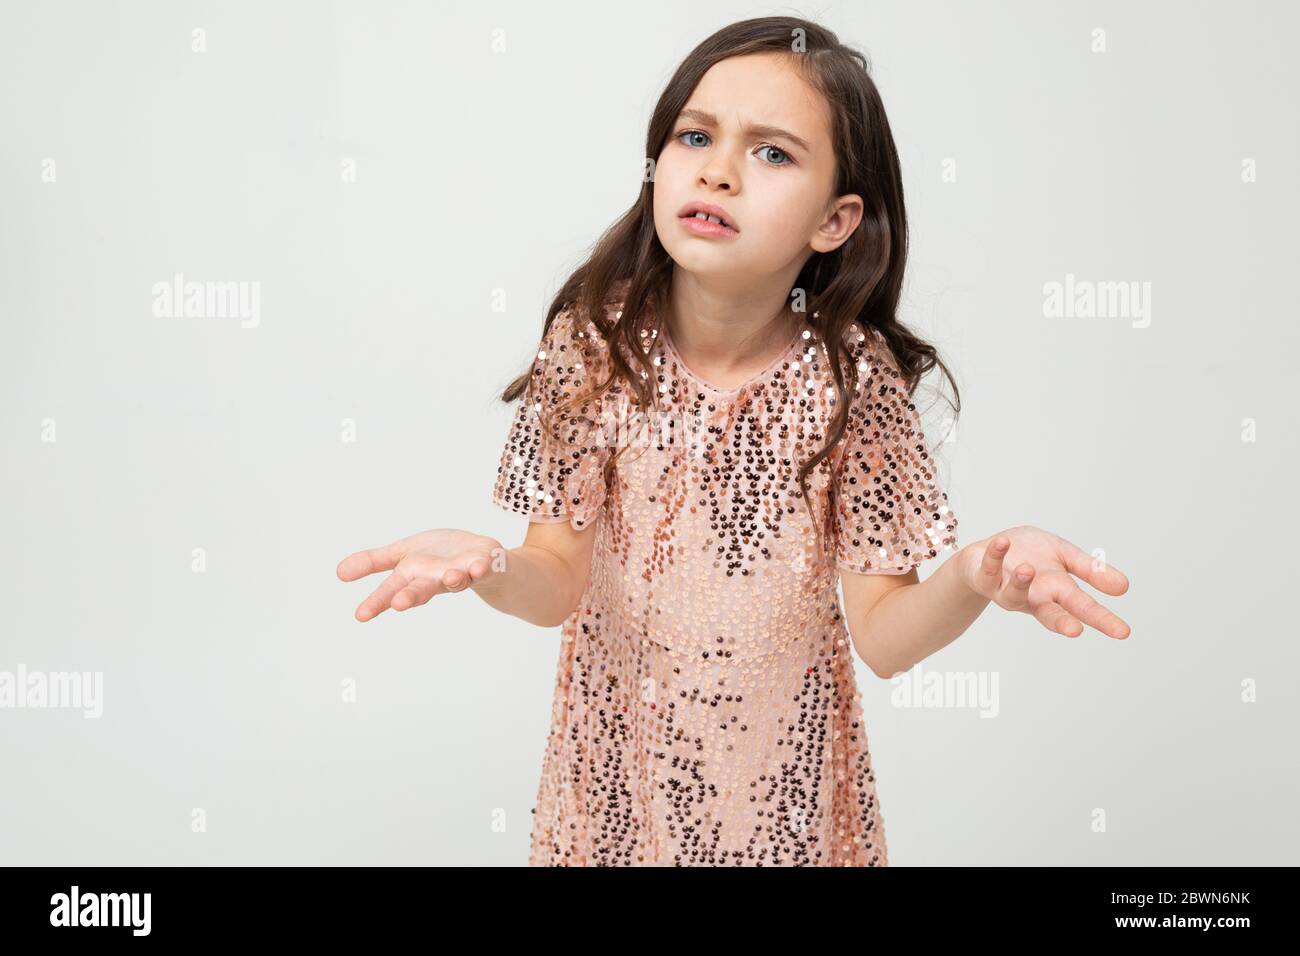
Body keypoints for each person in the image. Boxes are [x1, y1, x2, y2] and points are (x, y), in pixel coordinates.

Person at [336, 15, 1131, 866]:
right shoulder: (595, 345)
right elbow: (555, 582)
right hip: (617, 800)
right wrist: (491, 566)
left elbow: (887, 637)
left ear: (835, 221)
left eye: (773, 153)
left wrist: (977, 572)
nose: (717, 169)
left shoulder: (853, 383)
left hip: (784, 808)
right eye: (695, 135)